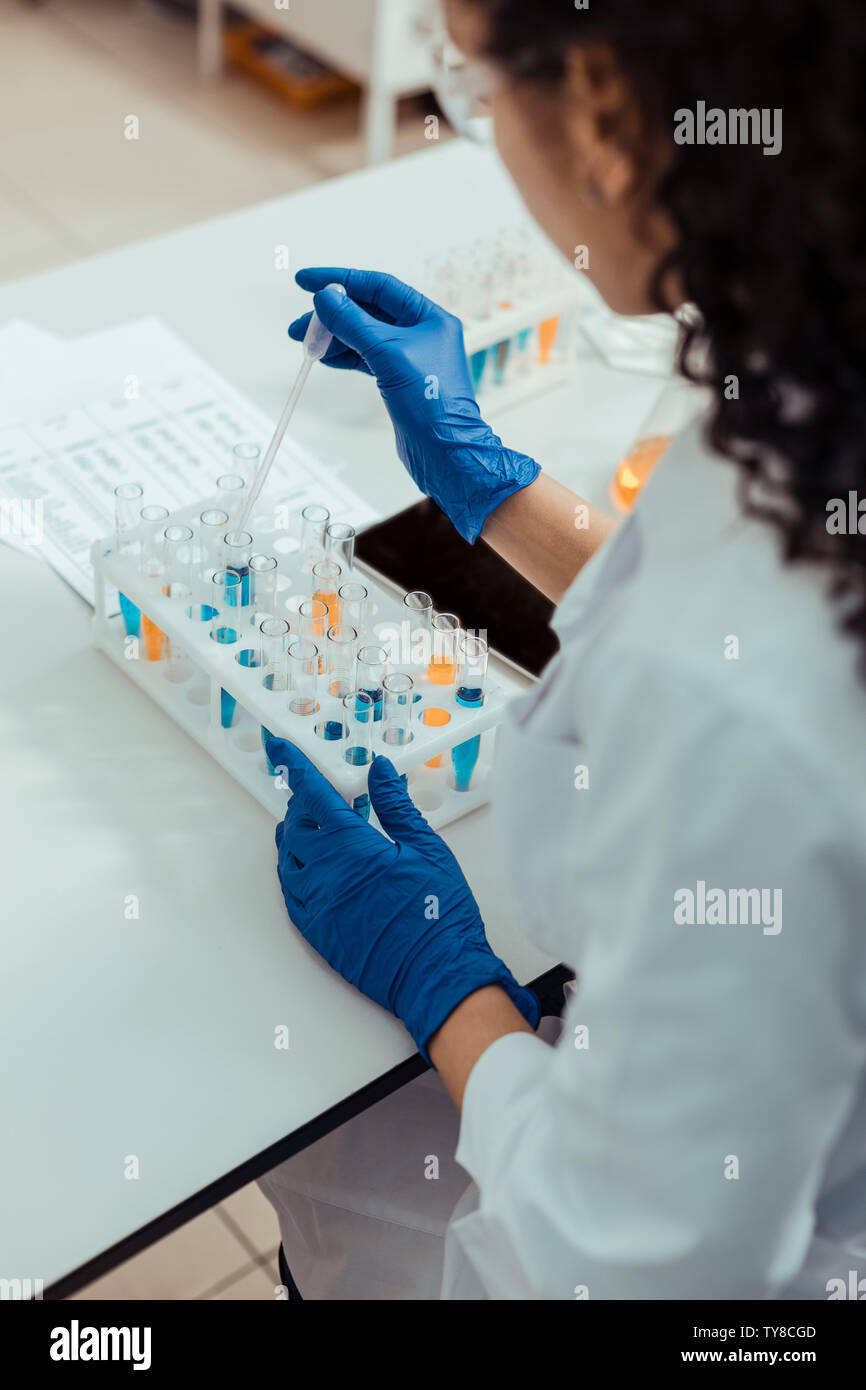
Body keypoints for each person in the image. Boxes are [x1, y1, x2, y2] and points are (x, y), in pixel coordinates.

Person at [257, 0, 866, 1299]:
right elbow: (737, 590)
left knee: (328, 1135)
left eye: (471, 88)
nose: (480, 125)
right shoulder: (817, 367)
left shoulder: (736, 721)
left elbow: (627, 1257)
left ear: (598, 112)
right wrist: (488, 484)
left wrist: (444, 982)